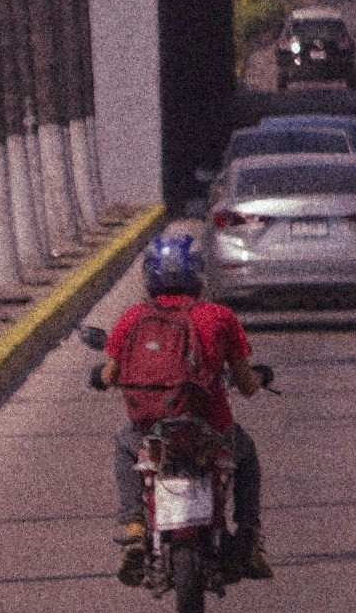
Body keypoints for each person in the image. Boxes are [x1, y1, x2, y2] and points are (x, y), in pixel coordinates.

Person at [95, 221, 272, 580]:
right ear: (198, 276)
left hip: (152, 430)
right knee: (247, 454)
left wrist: (97, 376)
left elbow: (110, 376)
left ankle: (132, 527)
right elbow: (246, 383)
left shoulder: (132, 318)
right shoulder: (220, 316)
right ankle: (249, 536)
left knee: (123, 443)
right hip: (212, 429)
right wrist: (260, 379)